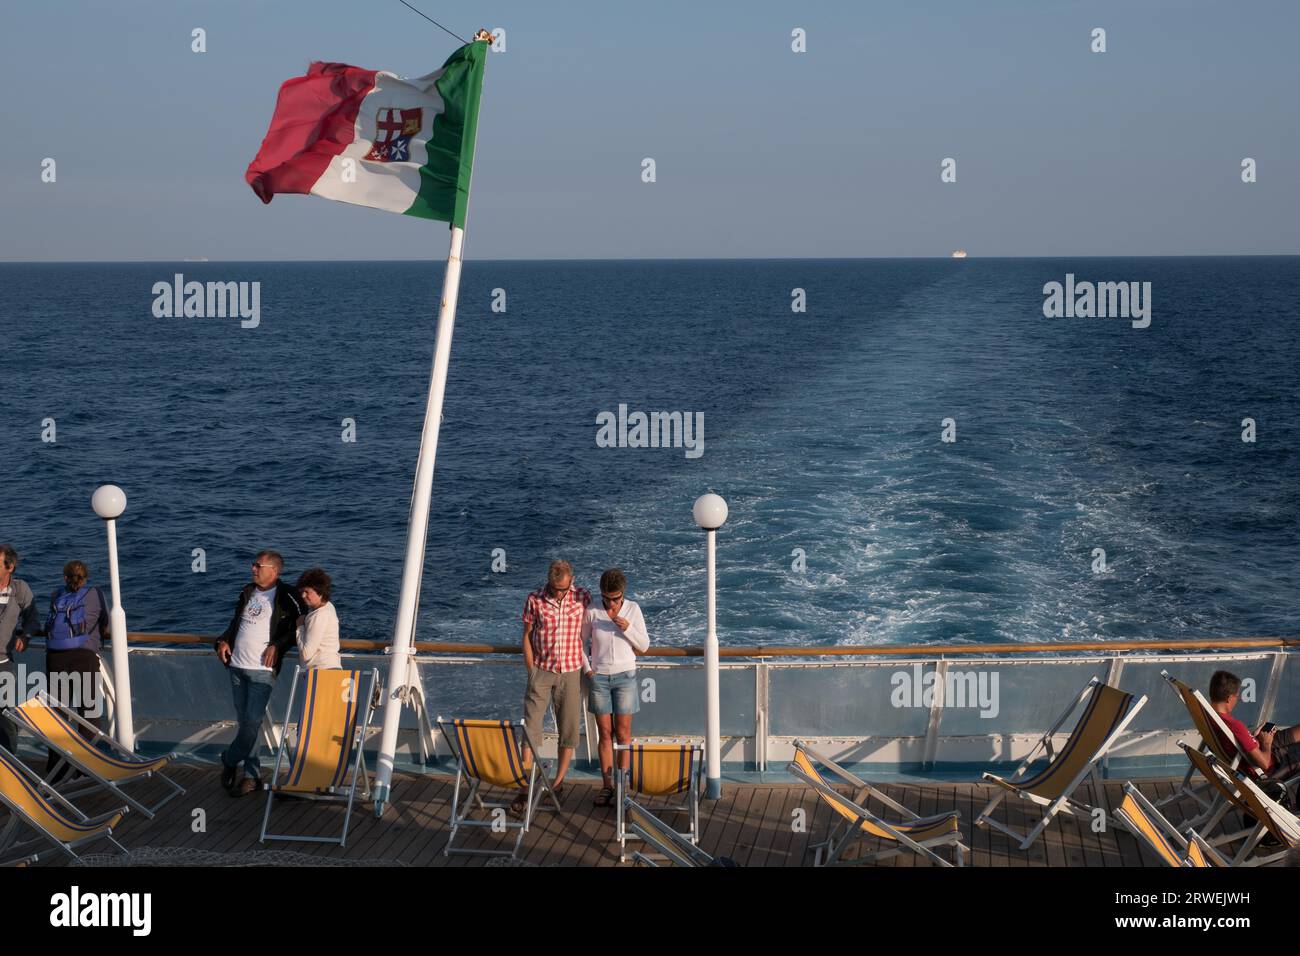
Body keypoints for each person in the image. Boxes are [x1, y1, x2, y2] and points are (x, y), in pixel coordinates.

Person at [213, 550, 303, 796]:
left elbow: (300, 626)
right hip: (236, 666)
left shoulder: (287, 595)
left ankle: (230, 759)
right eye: (253, 565)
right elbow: (236, 624)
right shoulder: (247, 591)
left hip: (262, 671)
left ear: (273, 570)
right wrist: (223, 641)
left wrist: (278, 645)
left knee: (251, 724)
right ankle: (251, 777)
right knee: (245, 724)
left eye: (258, 565)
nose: (252, 569)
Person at [514, 559, 590, 813]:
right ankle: (526, 786)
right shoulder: (534, 599)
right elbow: (526, 635)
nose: (560, 594)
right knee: (531, 727)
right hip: (542, 672)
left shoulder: (582, 597)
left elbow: (597, 627)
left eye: (564, 589)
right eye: (556, 589)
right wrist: (531, 669)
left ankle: (557, 784)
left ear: (572, 582)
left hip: (571, 672)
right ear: (549, 582)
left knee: (568, 730)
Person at [582, 568, 649, 807]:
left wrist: (627, 627)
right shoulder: (592, 610)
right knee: (604, 734)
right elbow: (580, 642)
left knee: (623, 734)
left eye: (615, 599)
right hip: (599, 678)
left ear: (623, 595)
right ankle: (607, 786)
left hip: (625, 677)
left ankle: (623, 787)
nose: (611, 603)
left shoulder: (633, 609)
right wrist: (587, 669)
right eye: (607, 598)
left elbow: (644, 645)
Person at [43, 560, 110, 782]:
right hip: (84, 658)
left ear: (64, 578)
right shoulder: (95, 594)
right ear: (86, 577)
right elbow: (105, 624)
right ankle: (83, 766)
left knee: (58, 715)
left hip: (55, 658)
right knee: (89, 714)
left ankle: (57, 770)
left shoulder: (56, 594)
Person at [1209, 670, 1300, 779]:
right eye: (1237, 697)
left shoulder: (1209, 717)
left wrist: (1252, 736)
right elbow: (1264, 764)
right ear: (1229, 699)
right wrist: (1266, 744)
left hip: (1256, 747)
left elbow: (1240, 741)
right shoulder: (1234, 725)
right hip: (1271, 766)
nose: (1237, 700)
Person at [0, 545, 41, 753]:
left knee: (6, 717)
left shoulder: (19, 590)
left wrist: (25, 635)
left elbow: (33, 619)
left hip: (4, 665)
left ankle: (9, 766)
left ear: (10, 567)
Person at [294, 567, 341, 670]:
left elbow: (306, 654)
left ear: (320, 593)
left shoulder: (318, 616)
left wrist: (300, 626)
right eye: (302, 591)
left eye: (307, 592)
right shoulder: (328, 606)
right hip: (332, 668)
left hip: (321, 672)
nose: (302, 595)